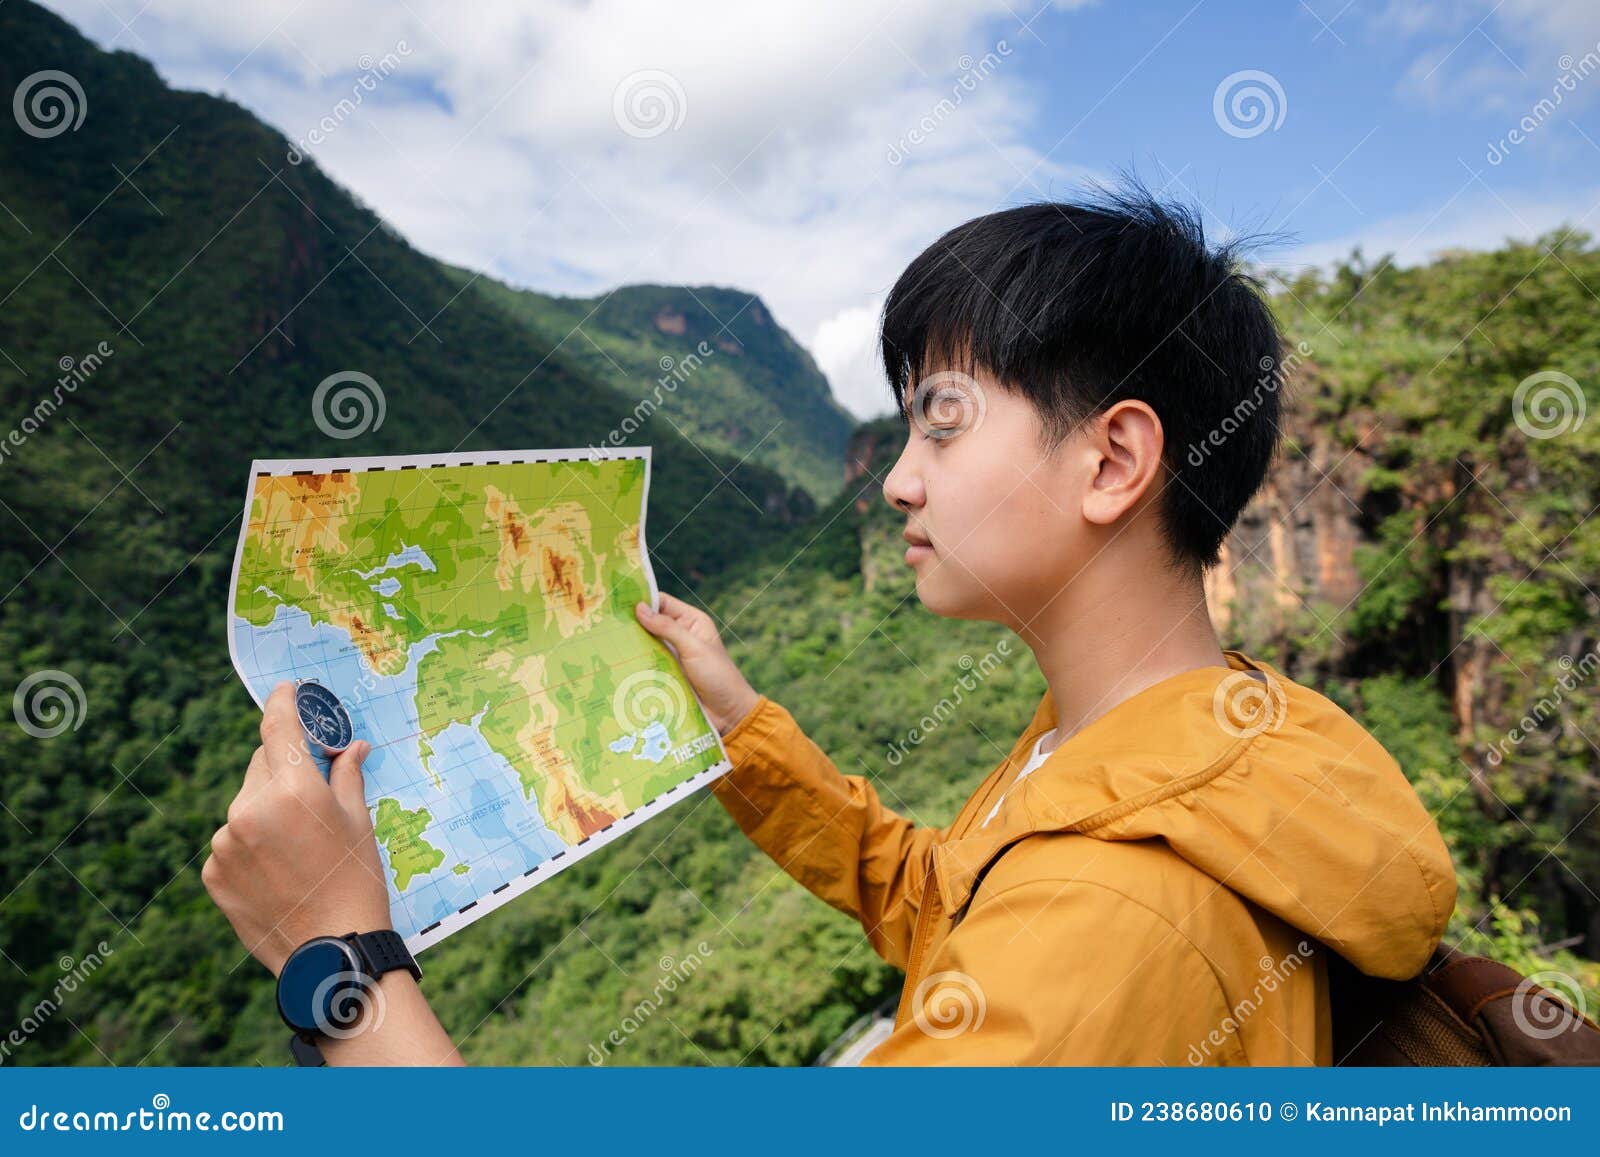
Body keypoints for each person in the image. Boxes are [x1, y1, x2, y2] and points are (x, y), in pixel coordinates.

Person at [204, 186, 1456, 1065]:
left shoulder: (1118, 910)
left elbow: (1052, 931)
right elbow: (949, 903)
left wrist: (340, 960)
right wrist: (736, 722)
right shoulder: (1175, 744)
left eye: (942, 422)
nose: (899, 478)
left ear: (1114, 457)